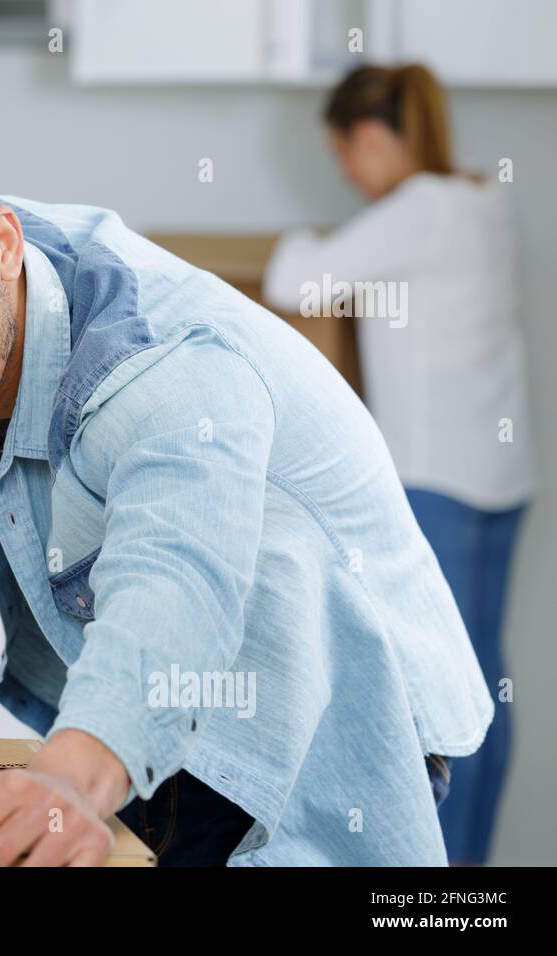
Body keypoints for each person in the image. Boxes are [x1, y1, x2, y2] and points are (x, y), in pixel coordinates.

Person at [0, 91, 484, 866]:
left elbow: (178, 581)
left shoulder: (161, 369)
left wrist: (67, 779)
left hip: (325, 714)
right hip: (139, 721)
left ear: (0, 245)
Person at [263, 64, 533, 865]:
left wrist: (302, 240)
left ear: (374, 137)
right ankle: (468, 866)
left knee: (436, 686)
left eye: (344, 153)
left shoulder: (417, 210)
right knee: (482, 674)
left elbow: (293, 279)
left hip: (433, 479)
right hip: (499, 481)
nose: (348, 173)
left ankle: (436, 878)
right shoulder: (485, 198)